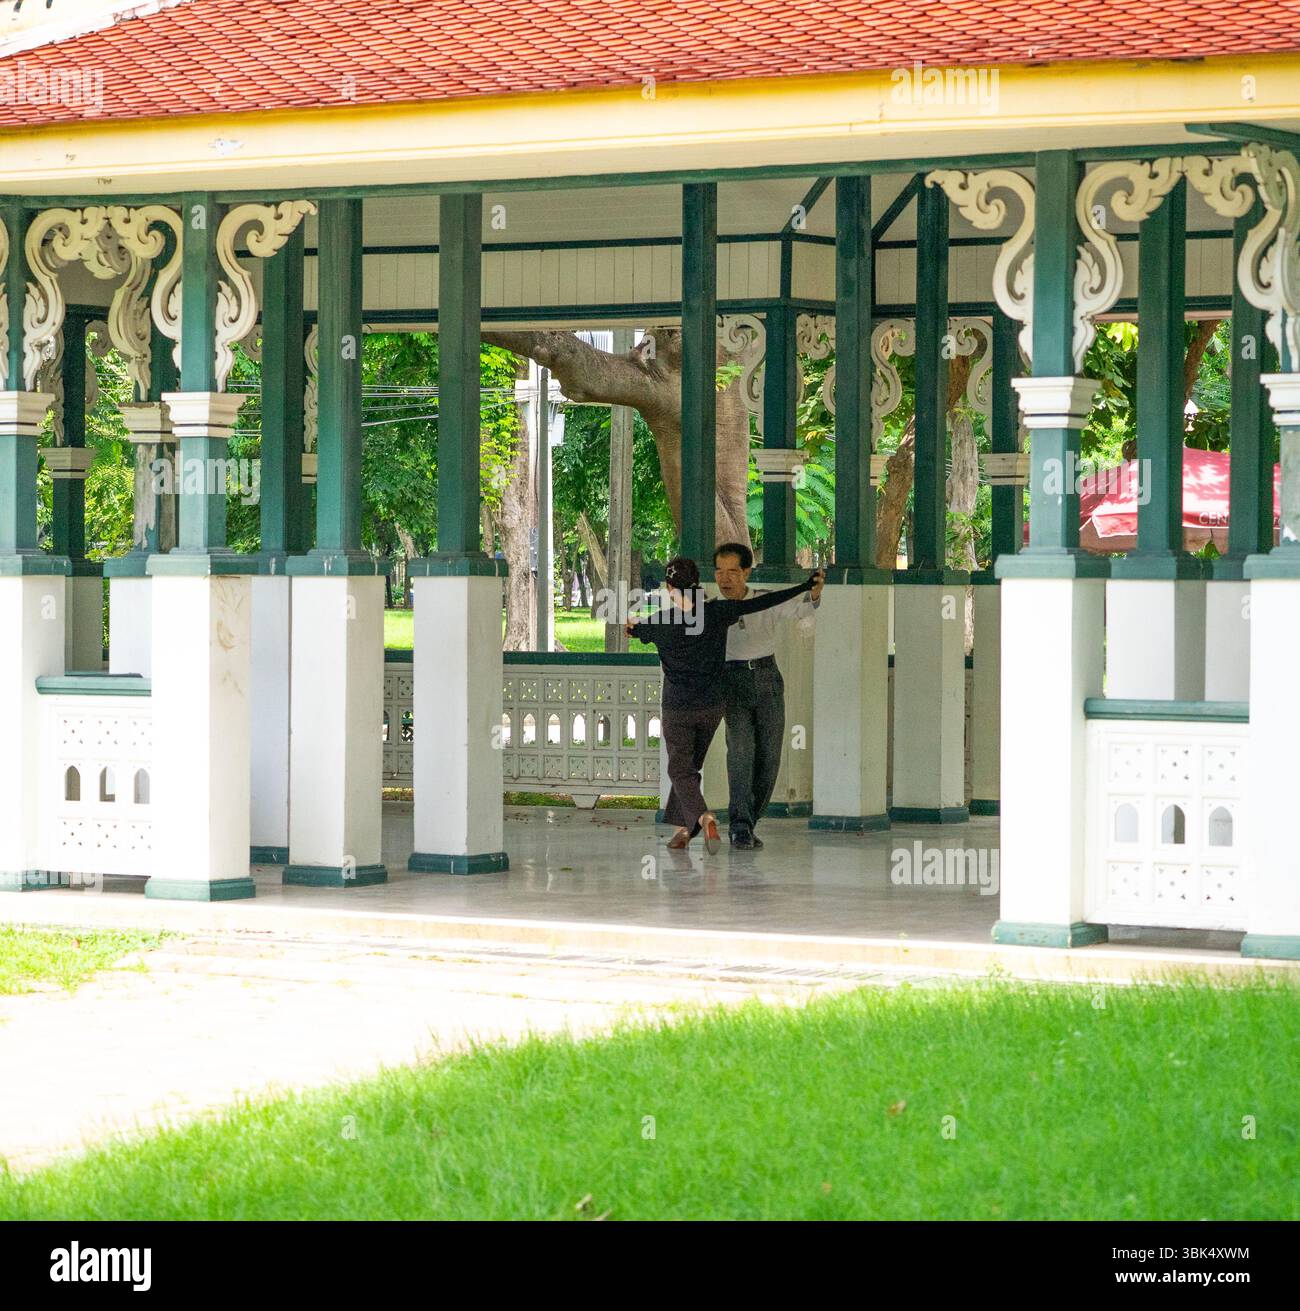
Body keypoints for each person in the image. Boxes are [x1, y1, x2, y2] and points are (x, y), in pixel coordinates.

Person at [626, 556, 822, 854]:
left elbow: (633, 629)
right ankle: (683, 829)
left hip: (679, 708)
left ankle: (703, 818)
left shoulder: (659, 621)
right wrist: (804, 586)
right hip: (712, 707)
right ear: (697, 583)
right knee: (690, 768)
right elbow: (761, 605)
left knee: (681, 771)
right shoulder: (717, 612)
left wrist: (633, 627)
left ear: (668, 588)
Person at [713, 543, 823, 850]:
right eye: (720, 571)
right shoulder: (710, 608)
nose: (726, 578)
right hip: (731, 682)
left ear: (746, 572)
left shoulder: (765, 600)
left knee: (769, 757)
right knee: (740, 754)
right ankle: (739, 826)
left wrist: (815, 590)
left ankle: (749, 821)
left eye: (733, 571)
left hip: (767, 679)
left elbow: (803, 606)